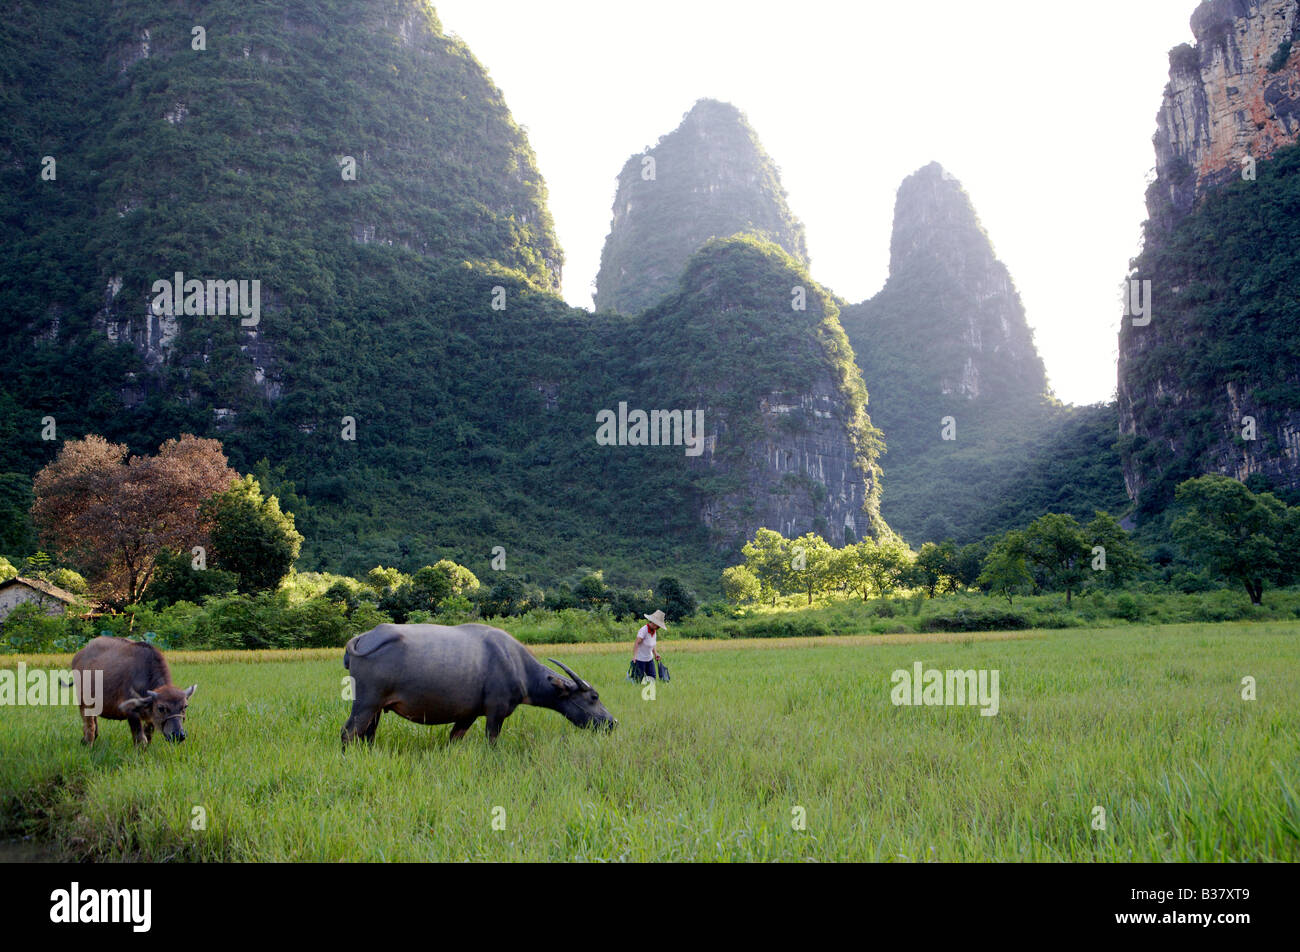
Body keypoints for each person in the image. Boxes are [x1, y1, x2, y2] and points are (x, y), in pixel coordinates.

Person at [631, 610, 666, 681]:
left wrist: (656, 654)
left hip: (649, 659)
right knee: (638, 680)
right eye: (658, 626)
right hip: (640, 659)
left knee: (652, 679)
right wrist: (634, 657)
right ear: (654, 623)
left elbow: (652, 644)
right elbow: (636, 643)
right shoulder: (643, 630)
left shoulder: (654, 631)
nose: (658, 628)